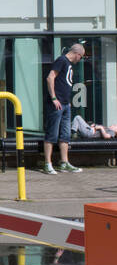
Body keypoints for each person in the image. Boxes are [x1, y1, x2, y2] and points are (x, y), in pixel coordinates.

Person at [43, 43, 86, 174]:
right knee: (52, 134)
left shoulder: (68, 64)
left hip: (66, 104)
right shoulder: (61, 60)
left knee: (65, 135)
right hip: (57, 104)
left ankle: (64, 162)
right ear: (77, 54)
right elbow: (50, 77)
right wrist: (54, 98)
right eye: (81, 57)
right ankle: (47, 164)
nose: (81, 60)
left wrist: (67, 101)